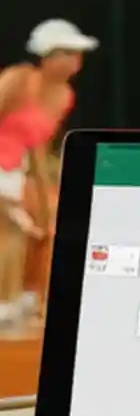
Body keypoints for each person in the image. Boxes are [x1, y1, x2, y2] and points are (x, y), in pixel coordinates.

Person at [0, 19, 97, 333]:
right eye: (68, 53)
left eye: (78, 54)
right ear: (48, 54)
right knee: (13, 229)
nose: (75, 61)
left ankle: (29, 297)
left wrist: (44, 197)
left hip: (19, 170)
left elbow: (40, 147)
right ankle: (4, 300)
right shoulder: (18, 79)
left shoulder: (64, 96)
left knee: (49, 221)